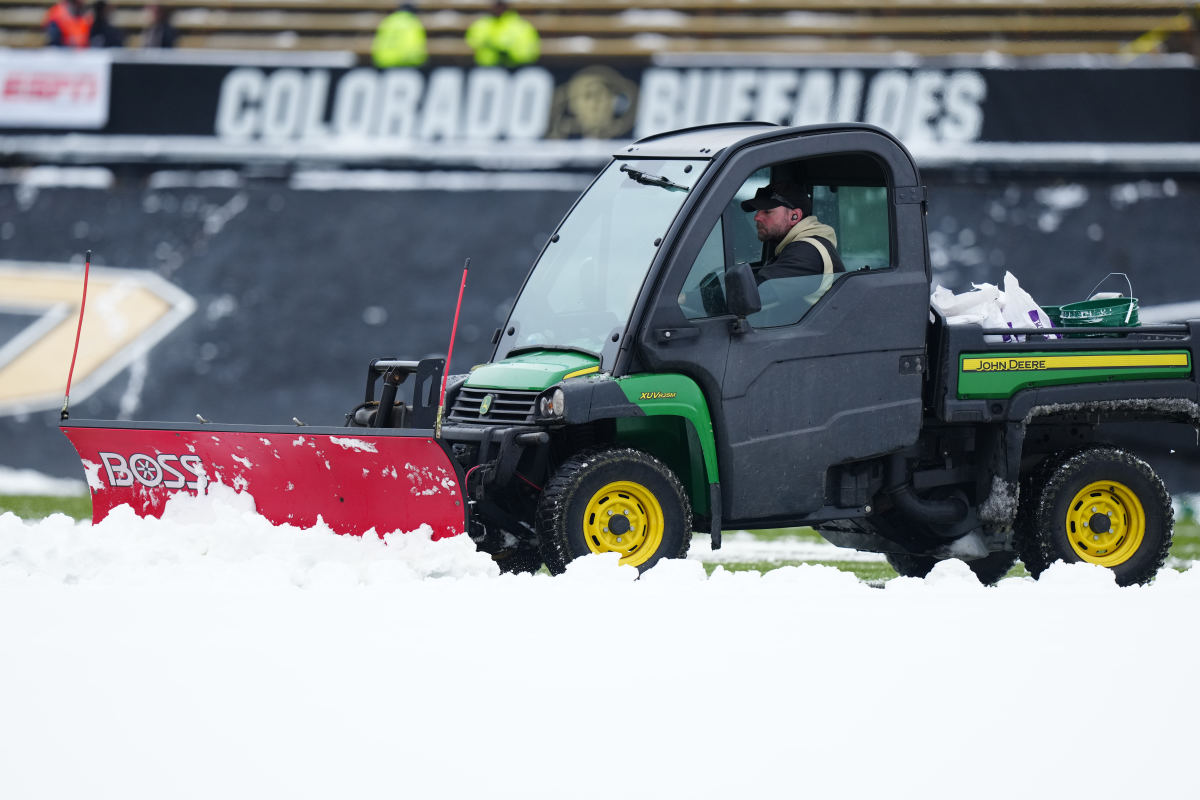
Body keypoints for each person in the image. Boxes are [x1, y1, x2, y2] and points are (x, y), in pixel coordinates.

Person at [740, 181, 844, 283]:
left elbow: (758, 289)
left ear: (794, 216)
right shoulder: (795, 246)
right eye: (758, 211)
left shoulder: (806, 251)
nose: (756, 217)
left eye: (767, 211)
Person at [465, 0, 539, 67]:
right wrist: (494, 48)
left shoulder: (520, 25)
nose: (498, 9)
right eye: (497, 5)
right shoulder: (482, 24)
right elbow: (472, 42)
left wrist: (510, 53)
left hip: (516, 66)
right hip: (488, 66)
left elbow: (529, 49)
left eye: (501, 5)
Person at [372, 2, 426, 68]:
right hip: (406, 64)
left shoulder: (389, 20)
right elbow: (414, 49)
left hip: (384, 63)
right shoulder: (411, 22)